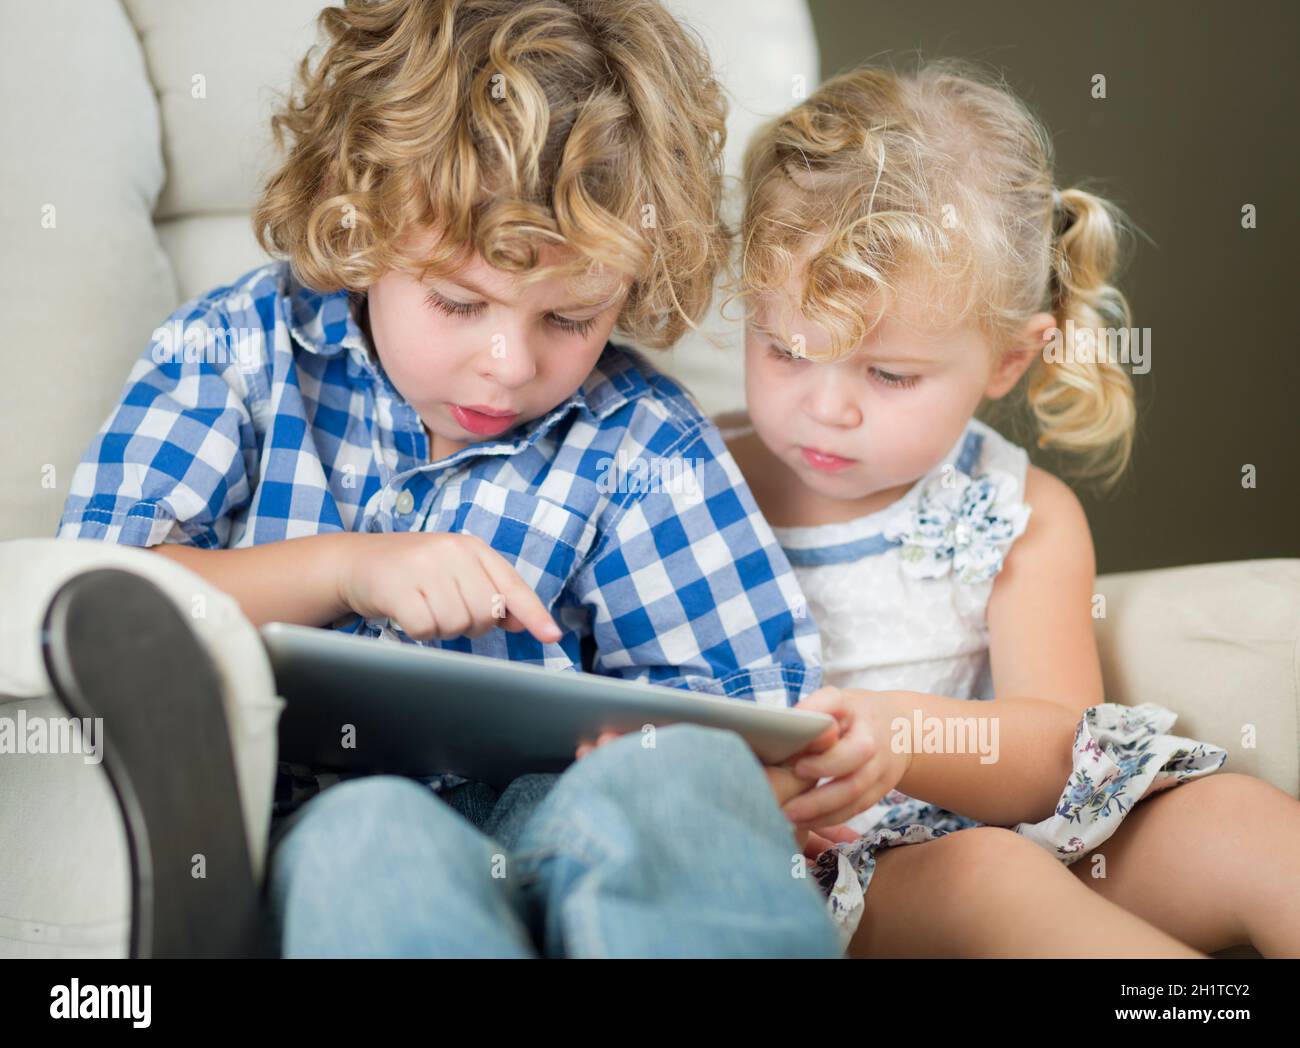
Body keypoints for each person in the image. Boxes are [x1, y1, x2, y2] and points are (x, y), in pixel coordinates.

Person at [55, 0, 841, 958]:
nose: (508, 364)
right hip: (301, 834)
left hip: (551, 829)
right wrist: (346, 569)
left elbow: (755, 709)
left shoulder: (642, 443)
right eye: (458, 303)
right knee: (373, 835)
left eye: (569, 318)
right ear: (361, 215)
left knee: (676, 789)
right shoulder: (236, 353)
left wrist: (708, 768)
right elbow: (100, 599)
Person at [709, 59, 1300, 958]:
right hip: (831, 867)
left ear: (1008, 363)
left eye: (890, 374)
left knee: (1248, 824)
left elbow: (1055, 752)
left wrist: (906, 733)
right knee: (993, 881)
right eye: (786, 351)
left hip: (1019, 831)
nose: (827, 407)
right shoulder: (691, 475)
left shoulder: (1020, 510)